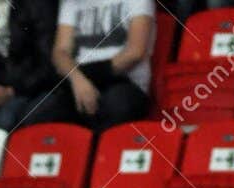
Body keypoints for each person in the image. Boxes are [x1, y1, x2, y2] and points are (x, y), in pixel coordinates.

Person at [24, 0, 155, 133]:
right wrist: (77, 79)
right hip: (79, 83)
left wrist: (88, 77)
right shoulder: (71, 3)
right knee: (38, 114)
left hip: (125, 82)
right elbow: (60, 53)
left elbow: (135, 52)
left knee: (114, 107)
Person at [0, 0, 60, 132]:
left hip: (32, 88)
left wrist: (13, 90)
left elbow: (46, 64)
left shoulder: (37, 5)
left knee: (6, 119)